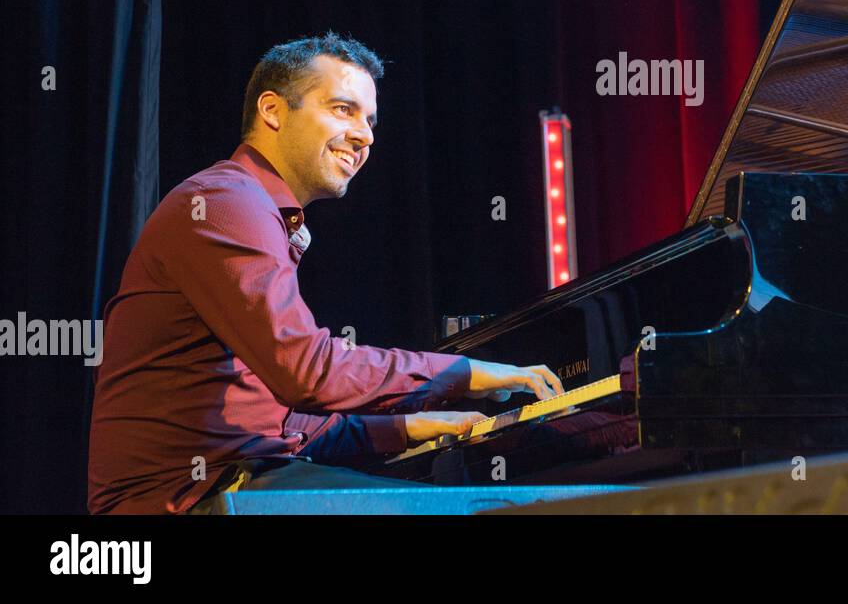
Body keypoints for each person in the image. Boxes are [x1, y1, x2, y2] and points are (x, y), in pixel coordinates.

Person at [88, 33, 562, 513]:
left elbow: (279, 423)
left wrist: (407, 426)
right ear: (272, 111)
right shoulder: (224, 204)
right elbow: (309, 373)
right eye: (343, 109)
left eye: (370, 120)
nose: (366, 135)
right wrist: (467, 370)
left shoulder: (252, 207)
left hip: (224, 482)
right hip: (183, 500)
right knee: (495, 509)